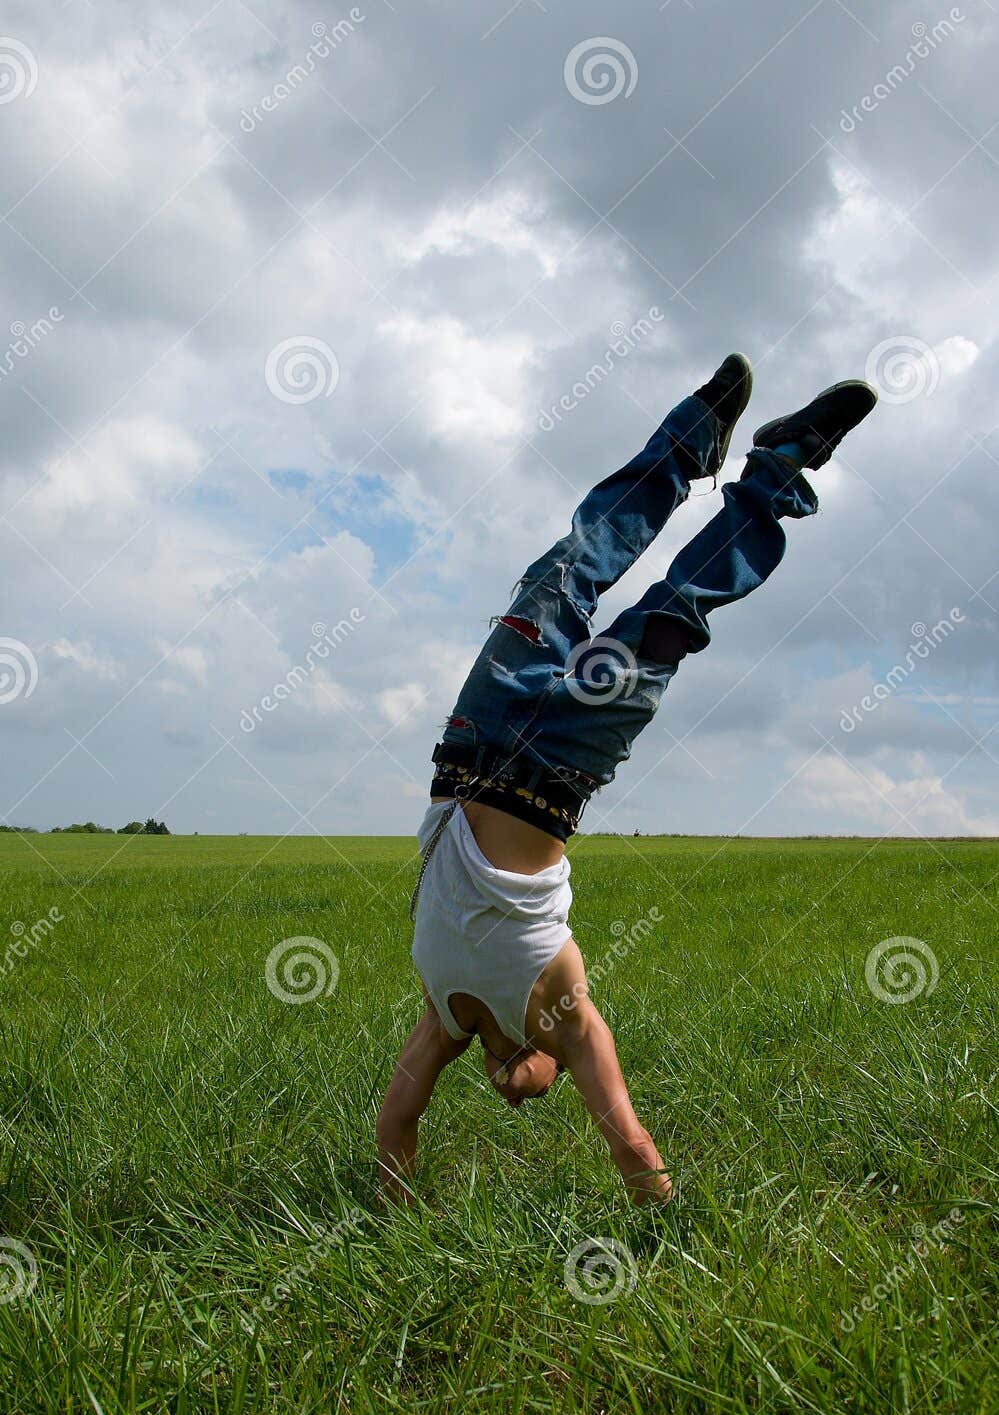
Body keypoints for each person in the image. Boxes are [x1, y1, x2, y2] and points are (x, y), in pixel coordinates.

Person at [376, 356, 877, 1205]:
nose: (514, 1096)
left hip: (473, 737)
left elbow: (397, 1122)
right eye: (536, 1100)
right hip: (560, 764)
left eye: (504, 1095)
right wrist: (663, 1210)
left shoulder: (443, 1022)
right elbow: (630, 1138)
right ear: (552, 1077)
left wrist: (391, 1208)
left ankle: (693, 435)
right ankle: (781, 467)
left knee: (565, 570)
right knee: (673, 615)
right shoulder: (568, 1024)